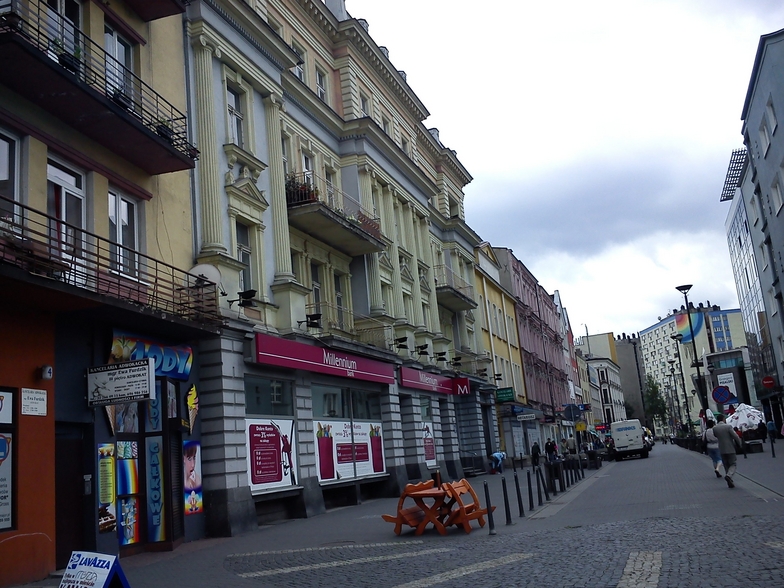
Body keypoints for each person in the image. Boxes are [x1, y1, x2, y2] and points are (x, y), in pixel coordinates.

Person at [712, 413, 742, 488]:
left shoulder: (715, 428)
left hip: (721, 449)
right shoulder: (728, 426)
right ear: (723, 419)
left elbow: (715, 435)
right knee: (733, 464)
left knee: (726, 465)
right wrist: (739, 444)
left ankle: (729, 482)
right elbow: (735, 436)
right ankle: (729, 476)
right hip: (730, 448)